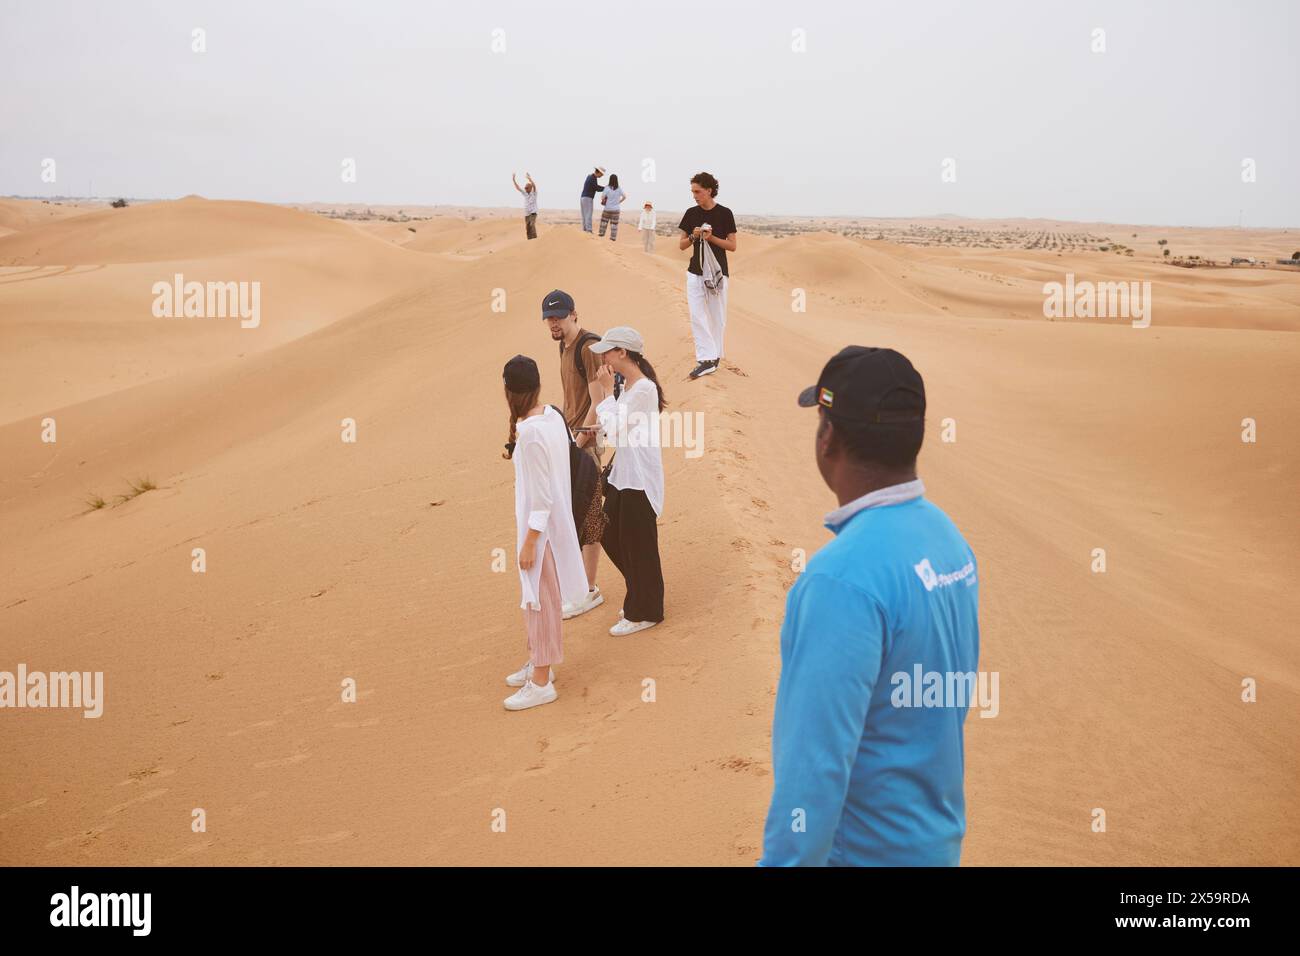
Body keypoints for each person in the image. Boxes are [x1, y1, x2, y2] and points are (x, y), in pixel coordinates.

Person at [759, 347, 980, 865]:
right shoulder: (949, 540)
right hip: (935, 846)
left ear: (828, 436)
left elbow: (814, 769)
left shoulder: (839, 580)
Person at [500, 355, 589, 711]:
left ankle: (541, 679)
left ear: (508, 390)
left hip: (542, 531)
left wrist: (530, 541)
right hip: (552, 527)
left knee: (538, 601)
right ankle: (539, 661)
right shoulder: (551, 415)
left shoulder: (533, 432)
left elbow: (541, 495)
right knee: (541, 599)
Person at [590, 327, 666, 636]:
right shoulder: (630, 387)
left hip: (639, 479)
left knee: (639, 545)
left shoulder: (644, 389)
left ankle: (646, 610)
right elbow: (614, 427)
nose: (604, 357)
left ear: (623, 353)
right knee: (610, 534)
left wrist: (606, 394)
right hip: (624, 475)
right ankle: (639, 590)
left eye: (608, 351)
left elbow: (616, 428)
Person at [540, 289, 606, 619]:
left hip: (586, 444)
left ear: (573, 314)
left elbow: (598, 402)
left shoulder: (588, 347)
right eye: (549, 318)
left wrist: (577, 445)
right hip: (572, 440)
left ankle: (588, 590)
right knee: (573, 514)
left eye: (559, 316)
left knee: (590, 514)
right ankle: (579, 584)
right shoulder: (565, 347)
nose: (554, 323)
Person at [677, 172, 737, 380]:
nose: (694, 195)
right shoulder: (690, 213)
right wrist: (694, 236)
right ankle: (706, 359)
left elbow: (732, 246)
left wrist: (711, 238)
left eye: (698, 191)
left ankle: (716, 356)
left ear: (709, 190)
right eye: (692, 191)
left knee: (717, 317)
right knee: (696, 316)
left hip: (718, 274)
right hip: (695, 272)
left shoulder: (725, 214)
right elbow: (682, 245)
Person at [598, 174, 627, 241]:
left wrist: (605, 200)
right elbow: (625, 196)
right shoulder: (619, 188)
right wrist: (619, 202)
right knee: (614, 225)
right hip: (616, 209)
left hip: (607, 208)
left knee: (604, 223)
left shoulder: (607, 188)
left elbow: (602, 197)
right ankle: (613, 238)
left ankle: (601, 235)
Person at [511, 172, 539, 240]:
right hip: (527, 214)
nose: (525, 189)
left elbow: (534, 186)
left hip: (533, 213)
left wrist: (530, 179)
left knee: (532, 224)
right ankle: (529, 240)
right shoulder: (525, 193)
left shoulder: (534, 194)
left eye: (527, 188)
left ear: (530, 188)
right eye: (525, 188)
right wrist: (513, 179)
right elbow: (518, 188)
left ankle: (535, 239)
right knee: (527, 227)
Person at [580, 166, 605, 233]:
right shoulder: (592, 178)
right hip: (588, 198)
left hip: (583, 197)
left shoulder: (590, 176)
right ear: (599, 172)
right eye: (601, 174)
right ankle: (589, 230)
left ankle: (585, 229)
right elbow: (596, 188)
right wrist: (606, 188)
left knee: (584, 214)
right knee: (588, 214)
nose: (601, 176)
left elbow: (595, 187)